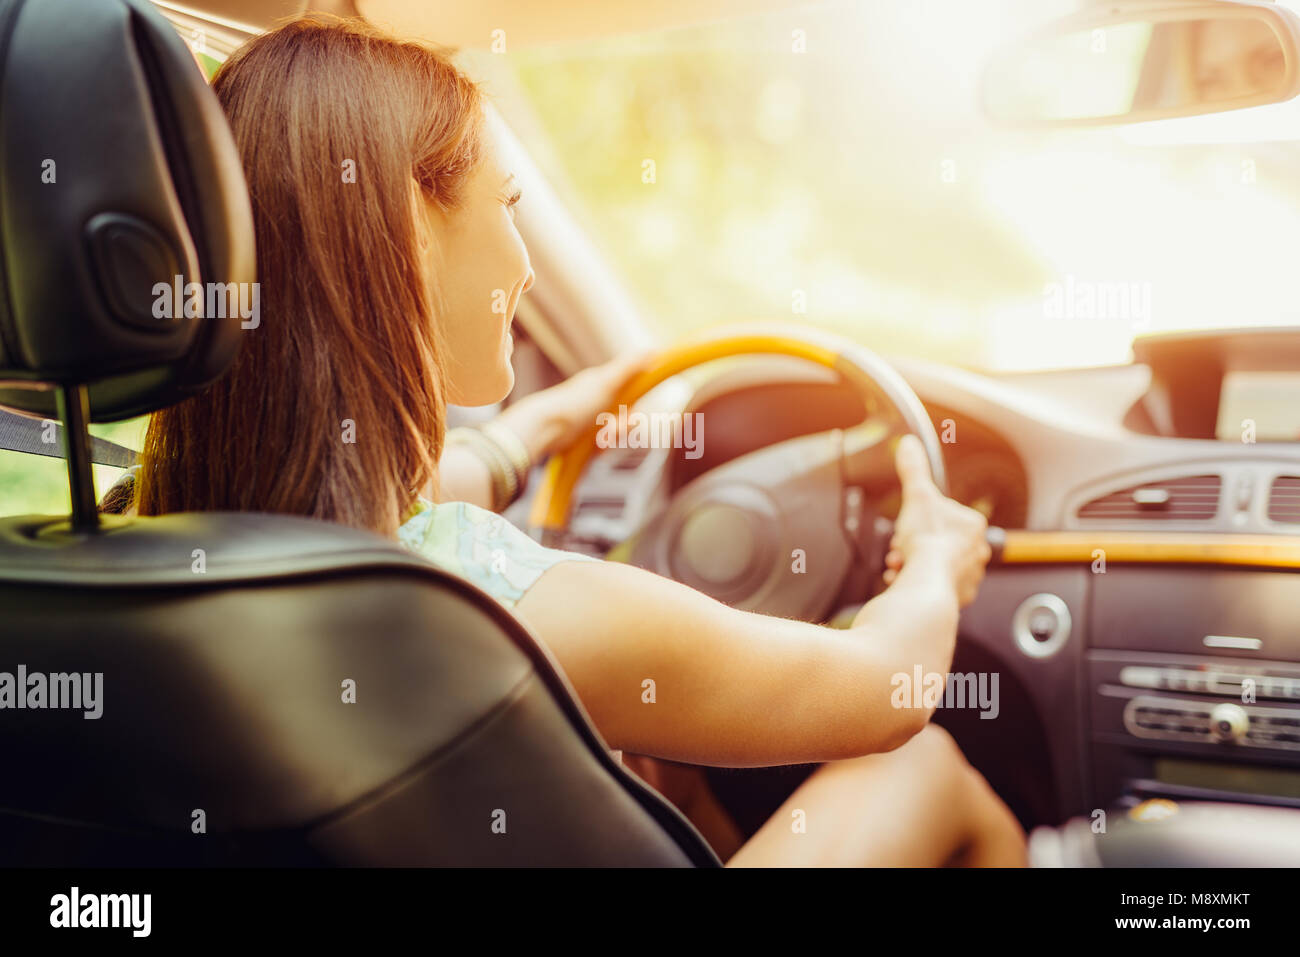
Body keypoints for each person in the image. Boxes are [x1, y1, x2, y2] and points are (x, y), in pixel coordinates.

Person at [136, 14, 1025, 867]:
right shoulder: (512, 610)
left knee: (657, 763)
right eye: (509, 203)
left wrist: (563, 413)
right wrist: (933, 564)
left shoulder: (152, 551)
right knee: (923, 768)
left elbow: (448, 480)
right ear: (408, 229)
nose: (524, 262)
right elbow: (883, 688)